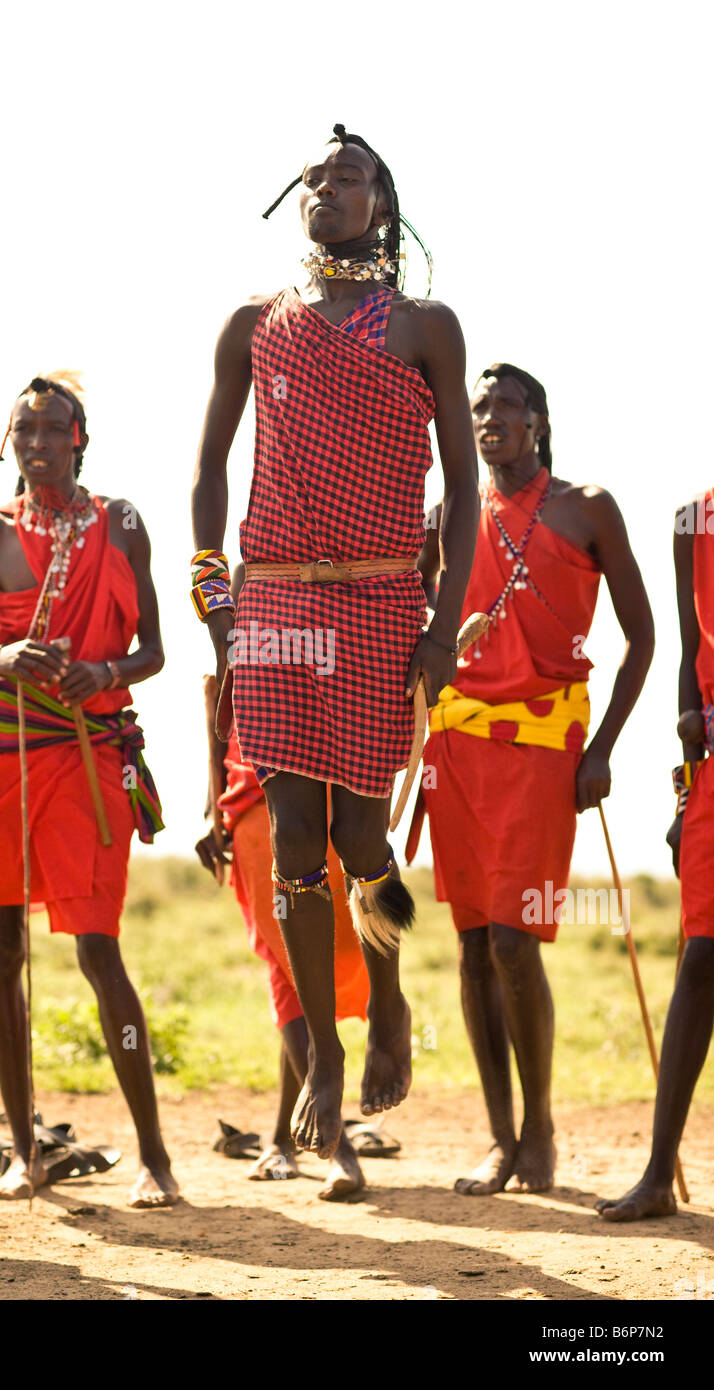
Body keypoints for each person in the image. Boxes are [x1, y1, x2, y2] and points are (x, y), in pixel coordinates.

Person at [191, 124, 479, 1160]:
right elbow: (211, 464)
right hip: (271, 604)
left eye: (346, 176)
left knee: (365, 844)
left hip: (374, 602)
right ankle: (320, 1054)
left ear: (380, 204)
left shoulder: (421, 330)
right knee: (295, 843)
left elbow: (463, 483)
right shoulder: (253, 327)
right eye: (313, 177)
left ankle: (390, 991)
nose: (326, 188)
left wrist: (441, 626)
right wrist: (209, 586)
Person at [0, 372, 177, 1207]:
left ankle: (156, 1157)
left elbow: (154, 650)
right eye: (24, 429)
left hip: (86, 755)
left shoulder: (124, 523)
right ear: (10, 441)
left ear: (81, 437)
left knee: (98, 949)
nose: (39, 443)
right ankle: (24, 1153)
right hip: (0, 754)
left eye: (53, 428)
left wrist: (104, 670)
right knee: (2, 952)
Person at [410, 363, 654, 1194]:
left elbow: (643, 637)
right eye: (477, 408)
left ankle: (541, 1128)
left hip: (547, 749)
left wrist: (603, 749)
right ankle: (498, 1137)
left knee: (517, 938)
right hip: (457, 752)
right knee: (474, 946)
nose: (488, 420)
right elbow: (410, 633)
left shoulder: (588, 508)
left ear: (538, 421)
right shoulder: (446, 518)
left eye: (505, 407)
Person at [196, 571, 371, 1199]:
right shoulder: (239, 605)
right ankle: (337, 1146)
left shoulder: (340, 599)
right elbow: (218, 707)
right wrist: (211, 806)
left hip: (328, 802)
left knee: (322, 962)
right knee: (287, 968)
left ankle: (281, 1135)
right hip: (252, 809)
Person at [596, 493, 714, 1221]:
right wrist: (685, 786)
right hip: (711, 774)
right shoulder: (691, 522)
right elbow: (685, 658)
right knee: (700, 960)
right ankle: (656, 1176)